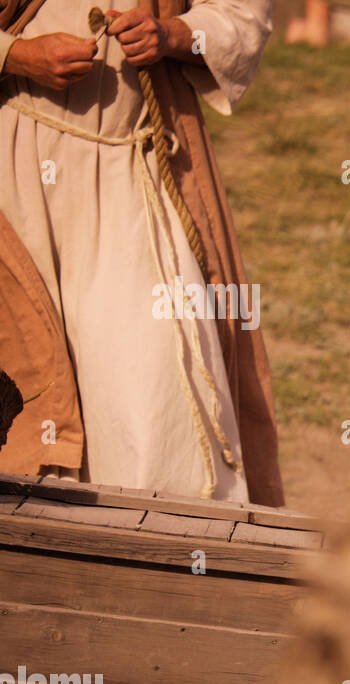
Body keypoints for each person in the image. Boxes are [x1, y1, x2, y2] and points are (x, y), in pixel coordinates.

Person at [0, 1, 284, 505]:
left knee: (153, 397)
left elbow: (242, 17)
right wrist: (16, 55)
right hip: (13, 173)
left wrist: (173, 35)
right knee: (22, 402)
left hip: (136, 169)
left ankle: (163, 565)